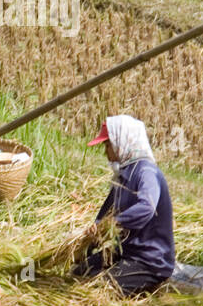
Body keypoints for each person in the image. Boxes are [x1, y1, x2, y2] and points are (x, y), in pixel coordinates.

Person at [73, 114, 174, 295]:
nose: (106, 152)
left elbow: (147, 207)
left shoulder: (146, 172)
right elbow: (106, 213)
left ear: (122, 141)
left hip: (149, 260)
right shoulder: (123, 174)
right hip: (125, 251)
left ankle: (149, 287)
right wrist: (92, 235)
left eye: (107, 145)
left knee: (97, 289)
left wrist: (115, 222)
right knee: (78, 273)